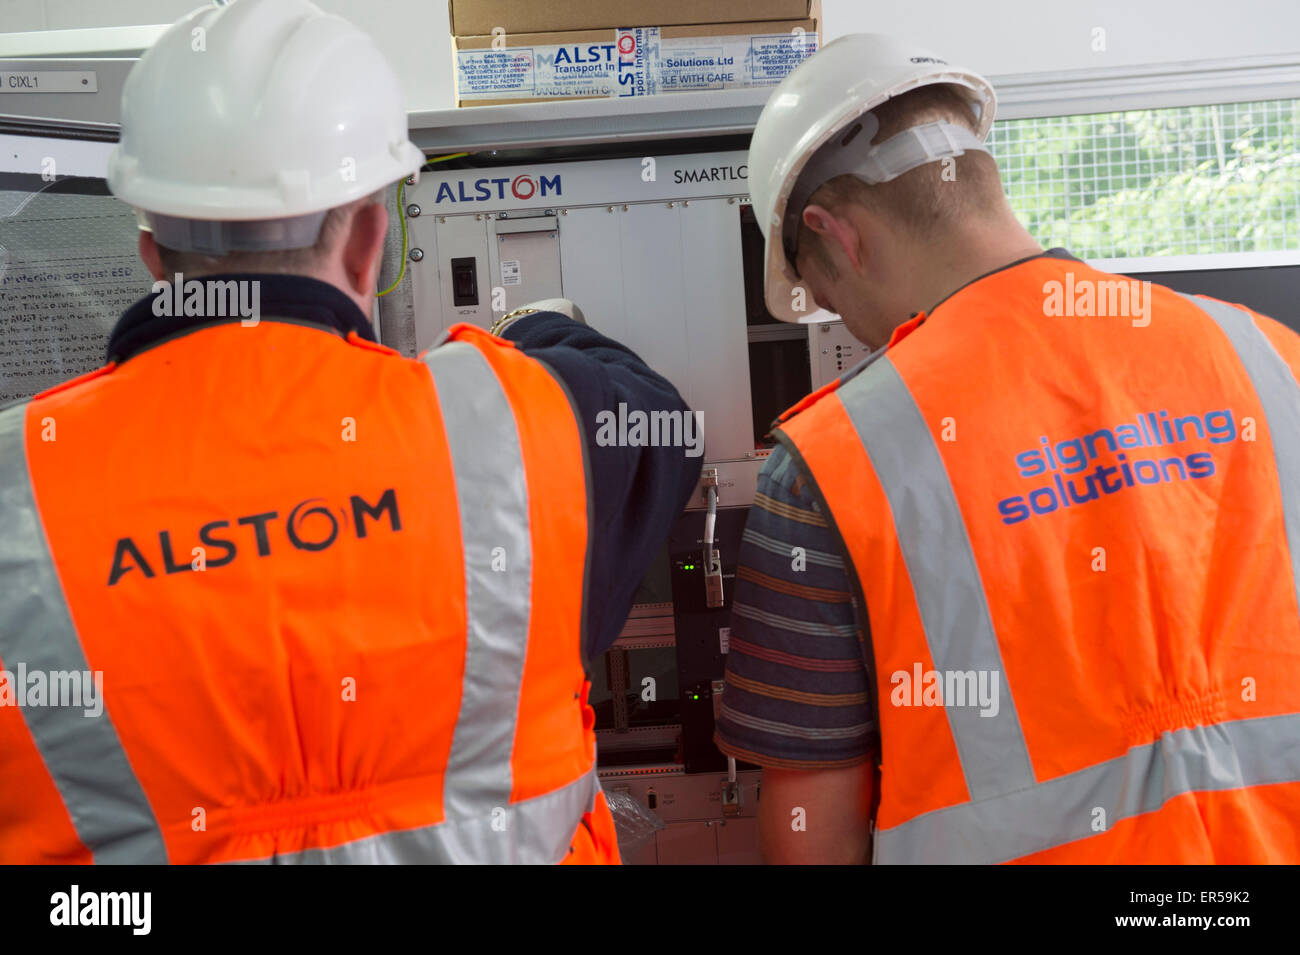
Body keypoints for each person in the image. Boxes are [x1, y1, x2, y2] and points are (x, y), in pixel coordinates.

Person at [0, 0, 699, 864]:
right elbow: (659, 416)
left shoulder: (16, 496)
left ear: (153, 260)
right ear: (371, 240)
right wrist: (528, 339)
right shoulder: (525, 432)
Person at [716, 32, 1300, 864]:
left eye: (826, 296)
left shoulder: (829, 462)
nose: (847, 328)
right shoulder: (1270, 356)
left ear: (837, 236)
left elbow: (814, 830)